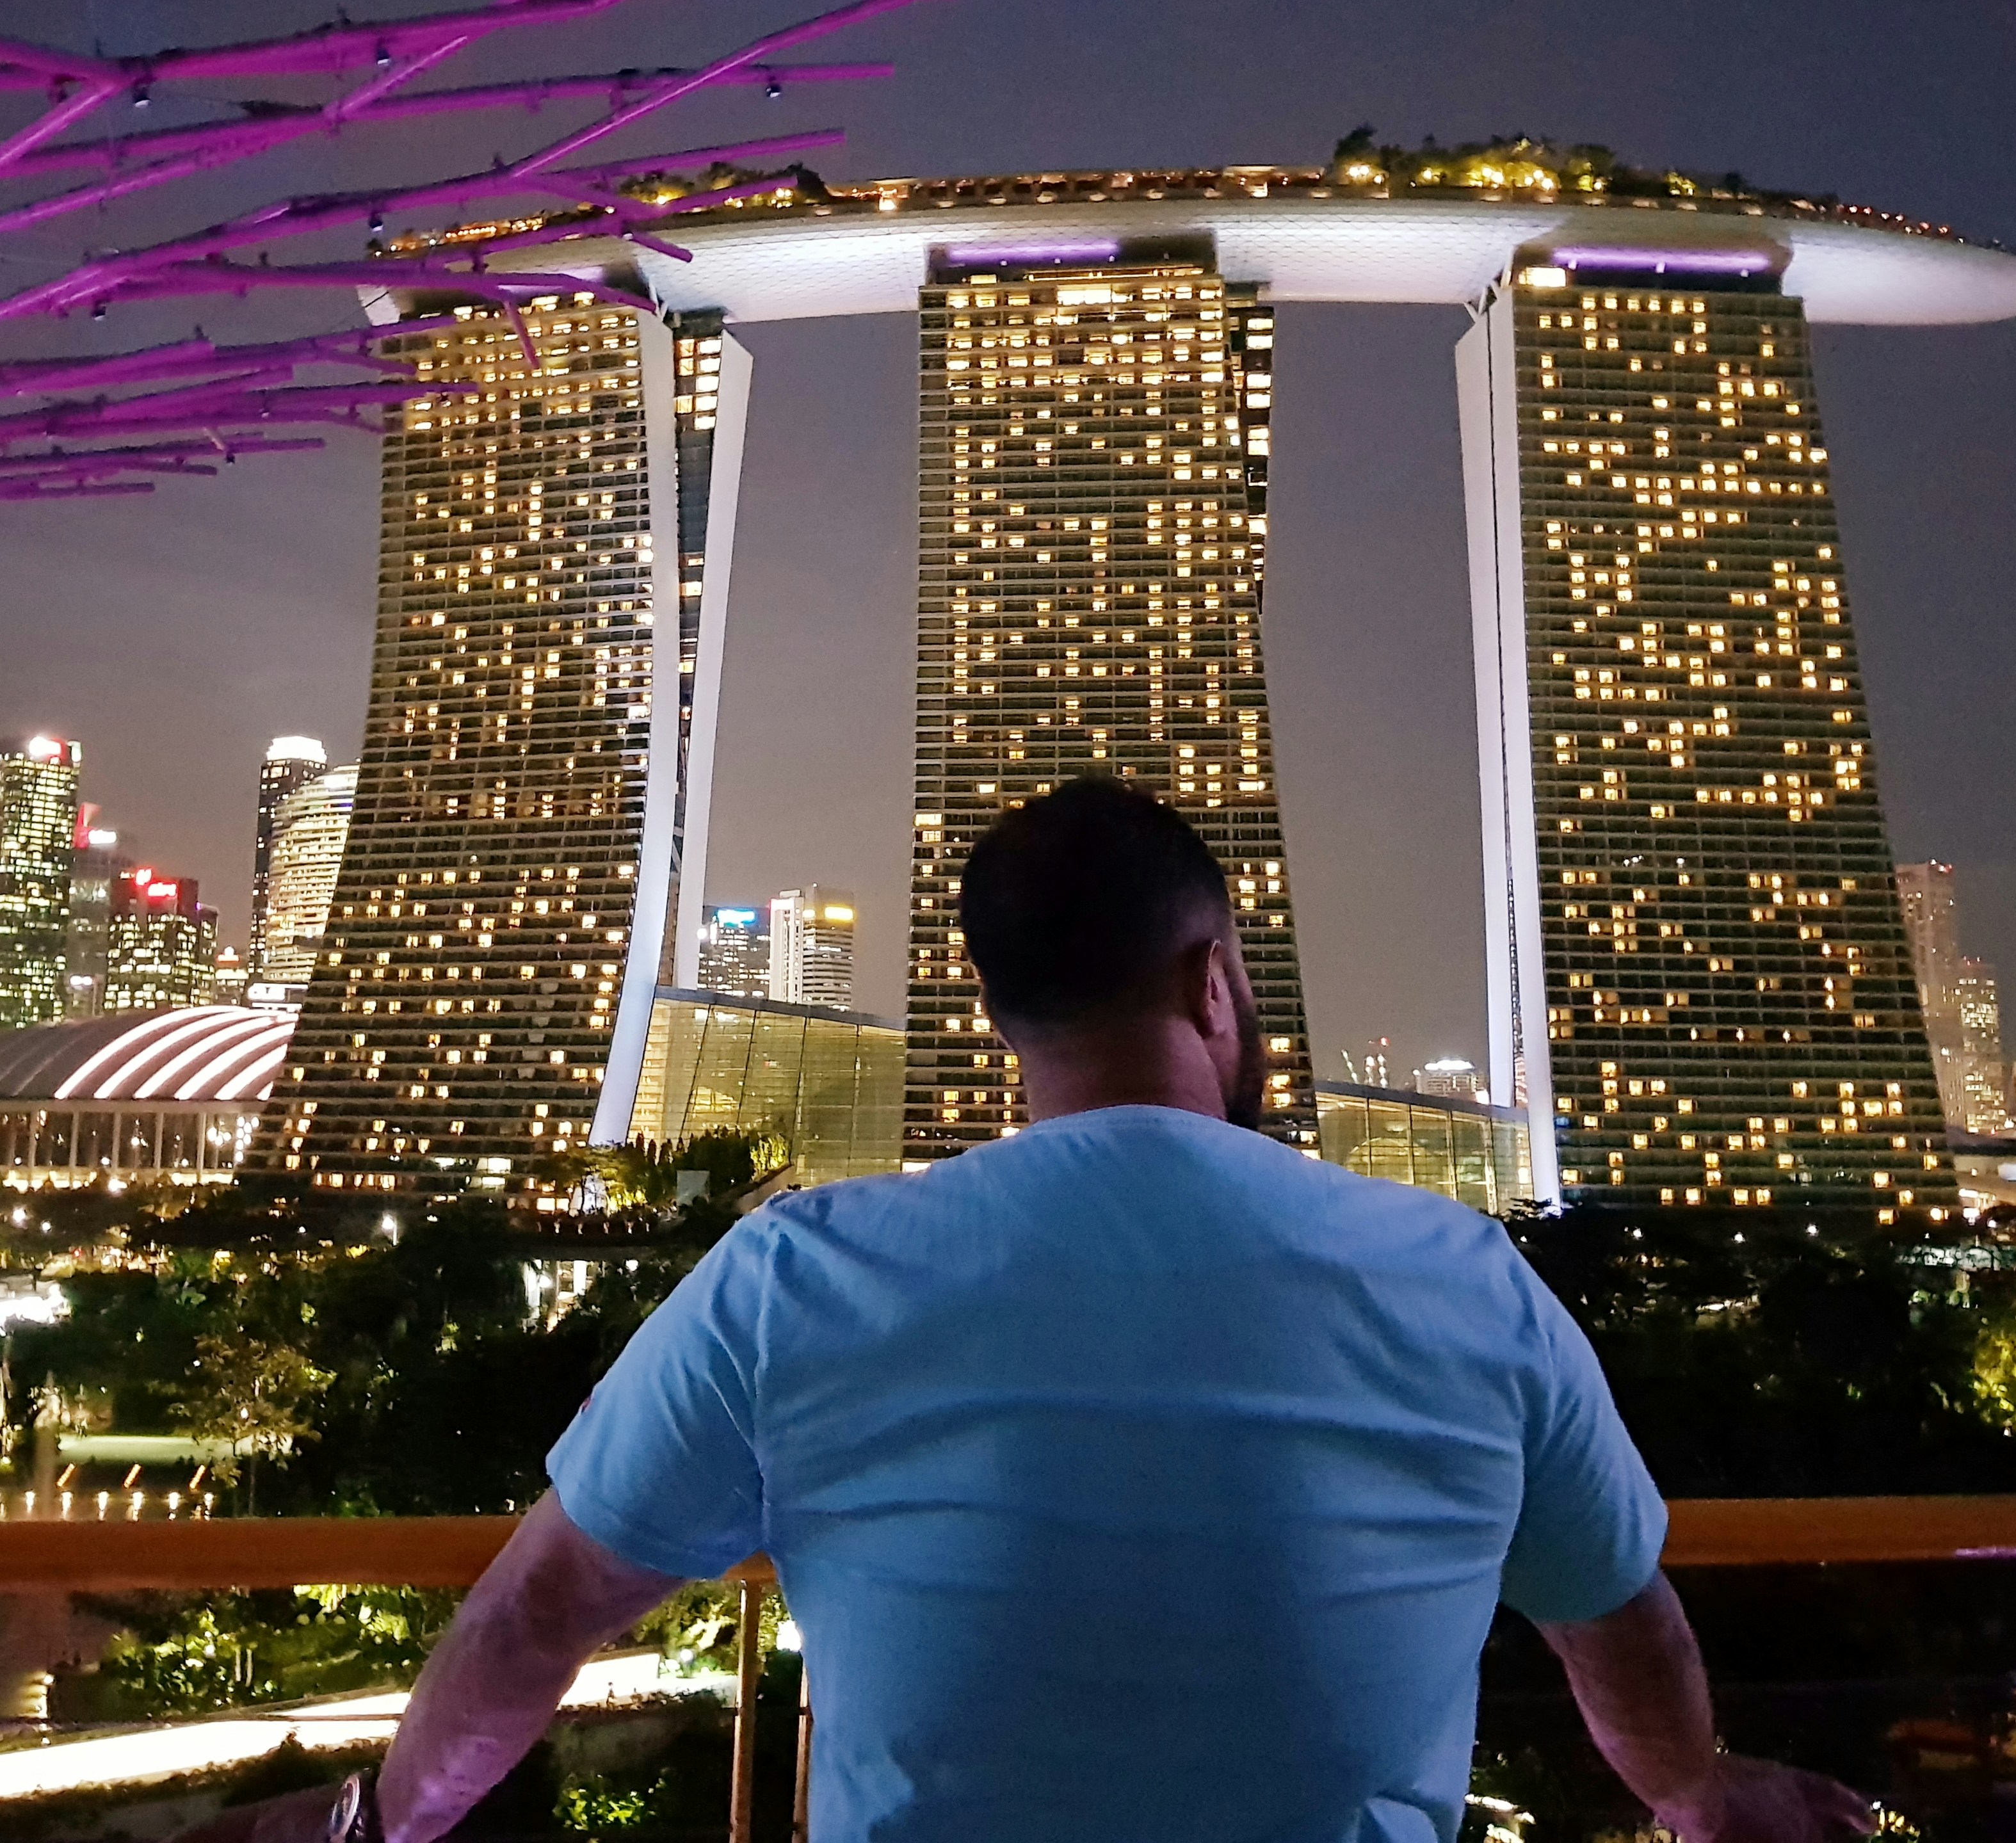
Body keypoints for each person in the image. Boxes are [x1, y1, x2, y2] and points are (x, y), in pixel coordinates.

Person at [187, 777, 1874, 1843]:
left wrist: (376, 1821)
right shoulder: (1458, 1280)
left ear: (995, 1010)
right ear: (1211, 978)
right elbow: (1622, 1628)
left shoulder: (803, 1274)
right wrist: (1694, 1794)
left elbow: (535, 1616)